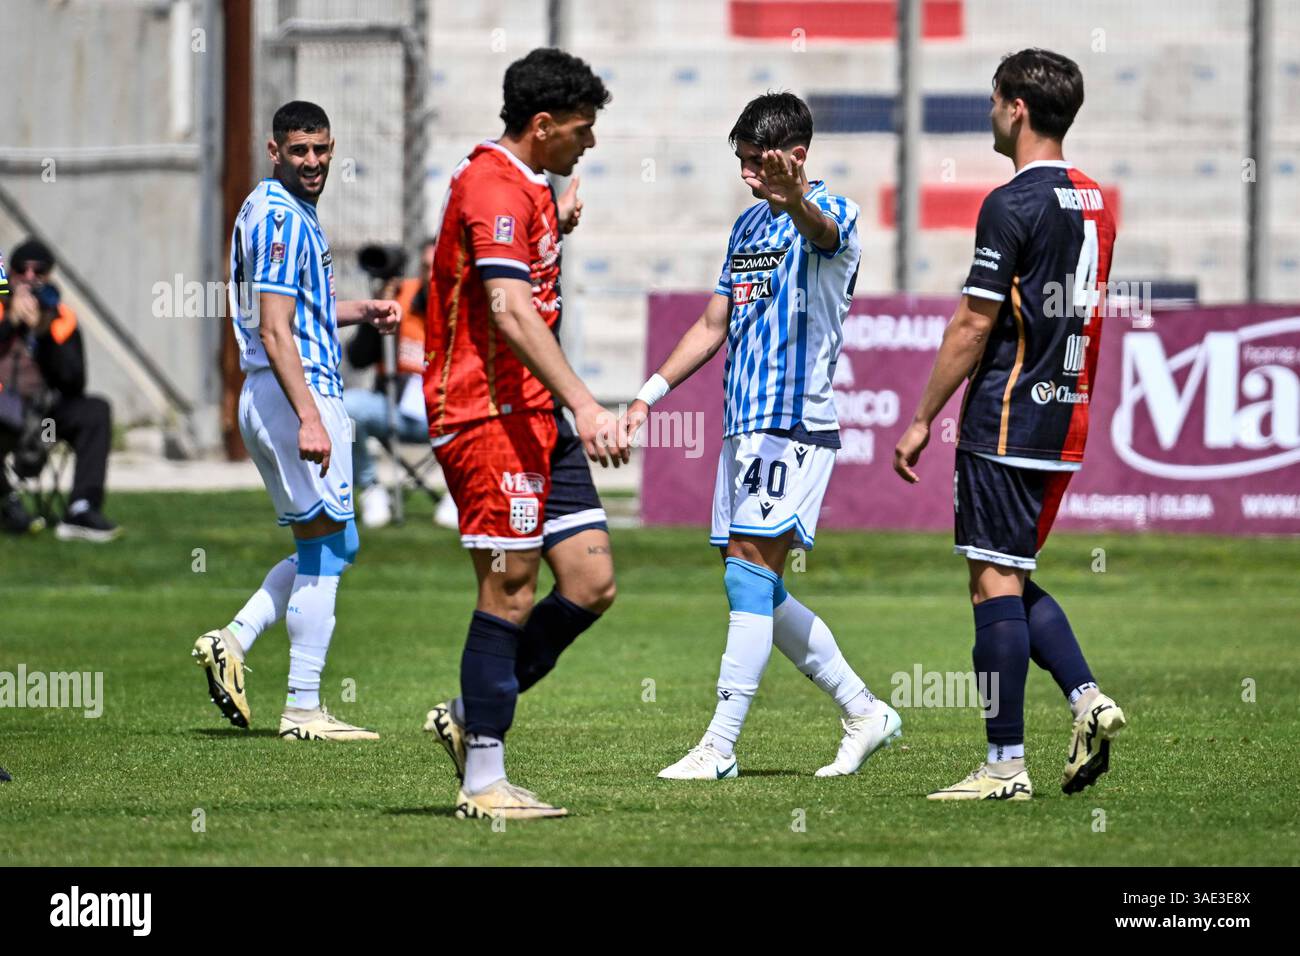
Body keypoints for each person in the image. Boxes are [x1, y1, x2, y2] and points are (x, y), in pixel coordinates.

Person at [621, 92, 899, 782]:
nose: (747, 174)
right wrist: (647, 396)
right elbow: (715, 324)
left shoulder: (832, 213)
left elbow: (823, 236)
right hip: (742, 426)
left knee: (749, 575)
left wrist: (794, 197)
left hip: (794, 423)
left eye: (756, 162)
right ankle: (866, 712)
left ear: (793, 157)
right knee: (754, 586)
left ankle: (719, 747)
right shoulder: (747, 227)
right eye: (742, 161)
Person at [893, 49, 1125, 801]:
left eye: (994, 101)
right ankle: (1086, 699)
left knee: (990, 584)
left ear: (1016, 107)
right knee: (1011, 571)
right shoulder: (1096, 201)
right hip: (1067, 421)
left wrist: (924, 416)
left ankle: (1003, 766)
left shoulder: (1010, 201)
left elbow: (973, 321)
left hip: (1007, 417)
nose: (990, 112)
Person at [422, 48, 622, 820]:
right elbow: (506, 309)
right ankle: (483, 780)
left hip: (535, 415)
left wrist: (556, 228)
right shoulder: (490, 184)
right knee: (509, 588)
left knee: (590, 583)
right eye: (581, 129)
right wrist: (585, 402)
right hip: (487, 414)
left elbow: (518, 276)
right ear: (542, 127)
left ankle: (473, 713)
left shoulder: (531, 188)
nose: (589, 143)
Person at [191, 100, 402, 741]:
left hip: (275, 393)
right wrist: (311, 418)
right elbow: (278, 329)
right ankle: (304, 709)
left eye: (321, 149)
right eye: (299, 150)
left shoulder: (267, 207)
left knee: (336, 542)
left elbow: (297, 310)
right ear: (274, 150)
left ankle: (234, 637)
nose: (313, 162)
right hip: (295, 395)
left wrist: (359, 310)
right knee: (323, 549)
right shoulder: (283, 219)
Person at [0, 239, 119, 541]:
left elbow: (74, 383)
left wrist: (44, 333)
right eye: (20, 271)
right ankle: (6, 499)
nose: (29, 278)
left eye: (38, 271)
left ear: (50, 275)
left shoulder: (61, 318)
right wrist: (11, 323)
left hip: (45, 414)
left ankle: (82, 508)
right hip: (4, 410)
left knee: (95, 410)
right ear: (9, 275)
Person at [344, 237, 444, 528]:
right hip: (395, 409)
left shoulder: (467, 306)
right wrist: (376, 314)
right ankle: (371, 488)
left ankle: (458, 495)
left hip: (447, 415)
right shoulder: (399, 298)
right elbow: (358, 358)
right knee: (347, 409)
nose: (432, 273)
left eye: (438, 266)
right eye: (426, 266)